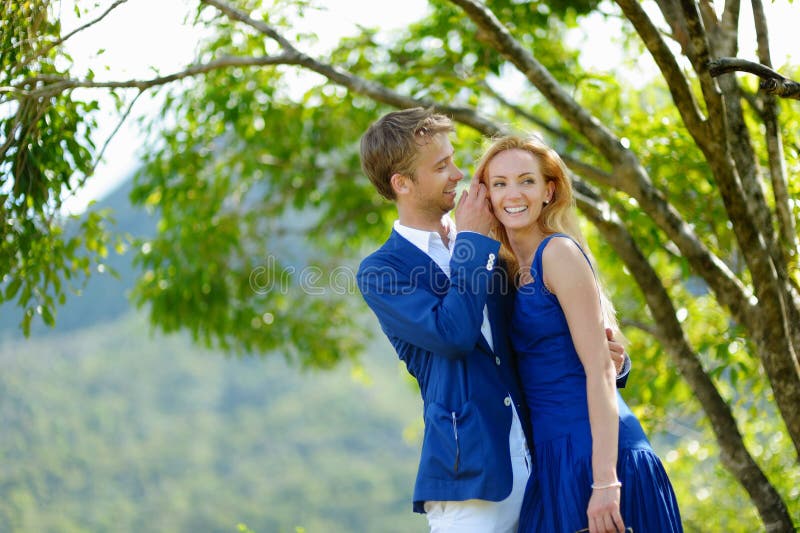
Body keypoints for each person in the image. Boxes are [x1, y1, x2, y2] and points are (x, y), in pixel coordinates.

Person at [355, 107, 629, 532]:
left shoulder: (492, 247)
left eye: (454, 160)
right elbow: (454, 334)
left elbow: (539, 339)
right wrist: (469, 242)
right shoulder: (383, 270)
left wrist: (611, 359)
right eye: (442, 166)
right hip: (470, 483)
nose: (458, 173)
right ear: (402, 184)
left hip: (544, 466)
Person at [472, 134, 683, 533]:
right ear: (485, 195)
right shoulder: (502, 270)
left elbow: (601, 370)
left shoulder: (558, 254)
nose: (512, 194)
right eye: (499, 183)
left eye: (526, 181)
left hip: (598, 456)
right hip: (550, 458)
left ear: (549, 190)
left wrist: (605, 481)